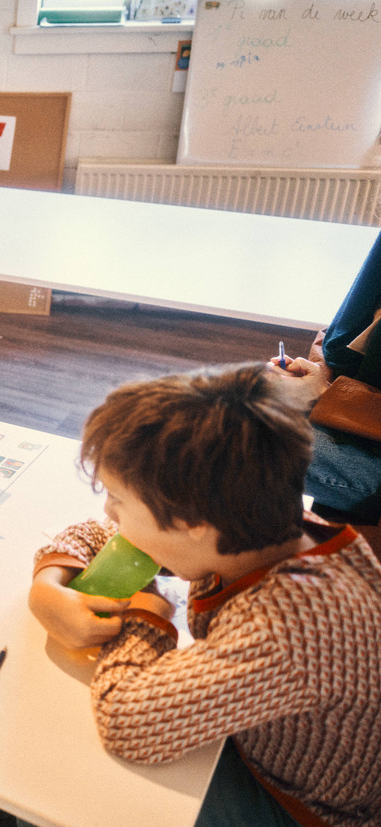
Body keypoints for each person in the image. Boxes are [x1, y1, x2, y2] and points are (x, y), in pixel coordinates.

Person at [26, 364, 381, 826]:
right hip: (263, 728)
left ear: (192, 523)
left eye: (117, 498)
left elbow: (127, 724)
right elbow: (107, 532)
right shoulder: (258, 527)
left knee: (63, 772)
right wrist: (48, 585)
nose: (107, 512)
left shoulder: (285, 631)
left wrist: (146, 613)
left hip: (304, 805)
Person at [271, 230, 381, 524]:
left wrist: (327, 396)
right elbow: (337, 337)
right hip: (354, 426)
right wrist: (314, 382)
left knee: (233, 438)